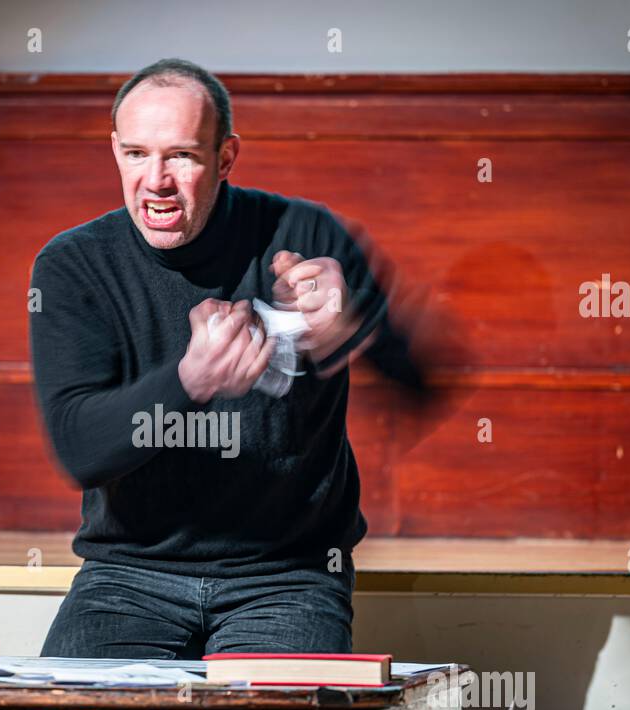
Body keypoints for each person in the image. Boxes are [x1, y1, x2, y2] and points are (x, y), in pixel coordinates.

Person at [28, 58, 430, 660]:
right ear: (114, 150)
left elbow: (419, 382)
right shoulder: (72, 265)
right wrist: (188, 381)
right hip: (126, 577)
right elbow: (79, 451)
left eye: (183, 156)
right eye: (137, 154)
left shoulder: (305, 233)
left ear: (226, 157)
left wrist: (354, 324)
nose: (156, 180)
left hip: (288, 576)